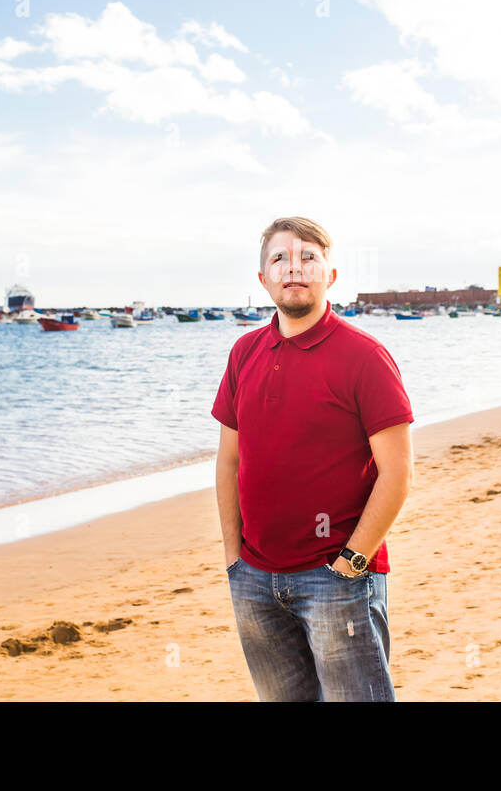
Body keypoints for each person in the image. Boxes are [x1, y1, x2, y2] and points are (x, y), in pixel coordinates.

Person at [212, 217, 414, 702]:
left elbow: (398, 473)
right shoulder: (244, 352)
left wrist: (351, 562)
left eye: (308, 257)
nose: (294, 268)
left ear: (330, 275)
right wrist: (234, 560)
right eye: (280, 258)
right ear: (264, 280)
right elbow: (228, 462)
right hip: (256, 580)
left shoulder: (364, 356)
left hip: (337, 578)